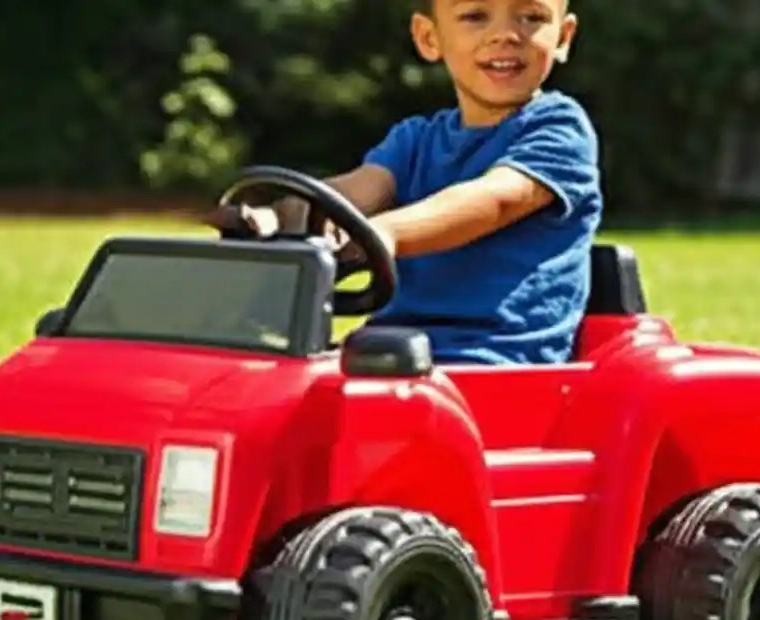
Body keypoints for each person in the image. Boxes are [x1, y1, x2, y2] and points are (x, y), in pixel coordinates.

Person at [211, 0, 602, 365]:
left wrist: (386, 232)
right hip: (394, 349)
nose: (506, 35)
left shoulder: (559, 129)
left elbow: (493, 199)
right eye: (475, 16)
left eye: (530, 17)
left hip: (495, 357)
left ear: (563, 38)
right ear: (429, 39)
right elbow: (351, 193)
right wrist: (278, 217)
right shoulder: (414, 140)